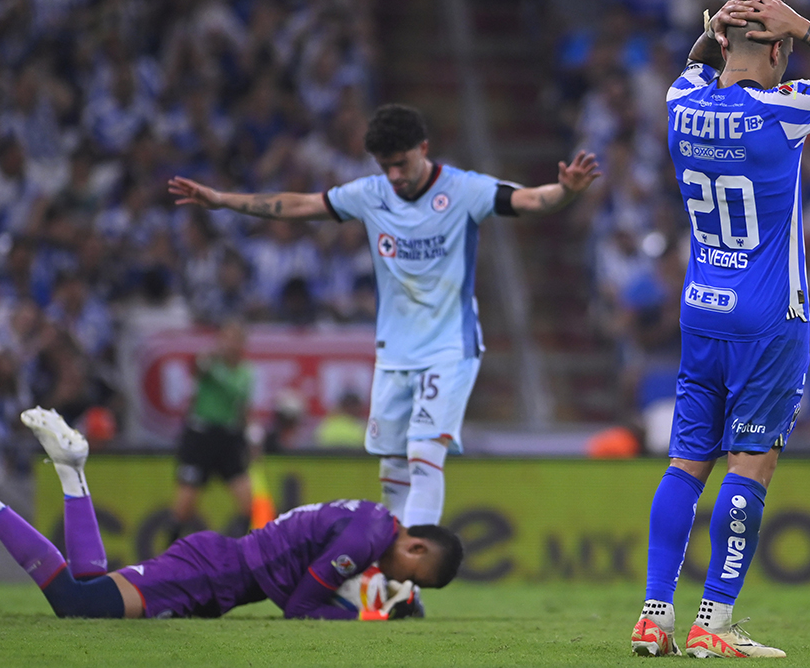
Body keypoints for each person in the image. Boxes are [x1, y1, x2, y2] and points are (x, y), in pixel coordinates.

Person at [169, 104, 601, 528]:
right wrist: (223, 200)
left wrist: (565, 191)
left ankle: (413, 560)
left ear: (423, 148)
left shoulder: (463, 190)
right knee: (392, 466)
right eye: (384, 165)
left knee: (424, 452)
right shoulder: (370, 194)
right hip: (394, 352)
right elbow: (299, 205)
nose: (394, 175)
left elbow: (529, 199)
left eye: (401, 163)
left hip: (449, 346)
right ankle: (395, 563)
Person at [631, 0, 810, 659]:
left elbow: (696, 63)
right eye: (786, 50)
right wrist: (804, 26)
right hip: (768, 316)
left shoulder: (682, 101)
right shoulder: (783, 109)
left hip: (702, 307)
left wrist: (713, 28)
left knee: (687, 461)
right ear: (776, 50)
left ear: (721, 43)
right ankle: (712, 622)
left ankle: (654, 616)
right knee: (751, 461)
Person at [0, 407, 462, 620]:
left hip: (218, 571)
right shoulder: (368, 538)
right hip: (213, 573)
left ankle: (68, 471)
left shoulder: (371, 520)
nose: (403, 579)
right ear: (415, 546)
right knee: (77, 605)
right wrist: (366, 619)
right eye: (414, 575)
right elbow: (299, 607)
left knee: (88, 588)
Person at [169, 320, 254, 542]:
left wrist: (248, 440)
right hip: (201, 437)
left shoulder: (245, 373)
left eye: (235, 339)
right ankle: (169, 551)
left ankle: (236, 549)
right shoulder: (209, 363)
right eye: (226, 338)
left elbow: (242, 406)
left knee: (247, 502)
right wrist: (211, 358)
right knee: (185, 504)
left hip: (228, 438)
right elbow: (197, 368)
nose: (230, 344)